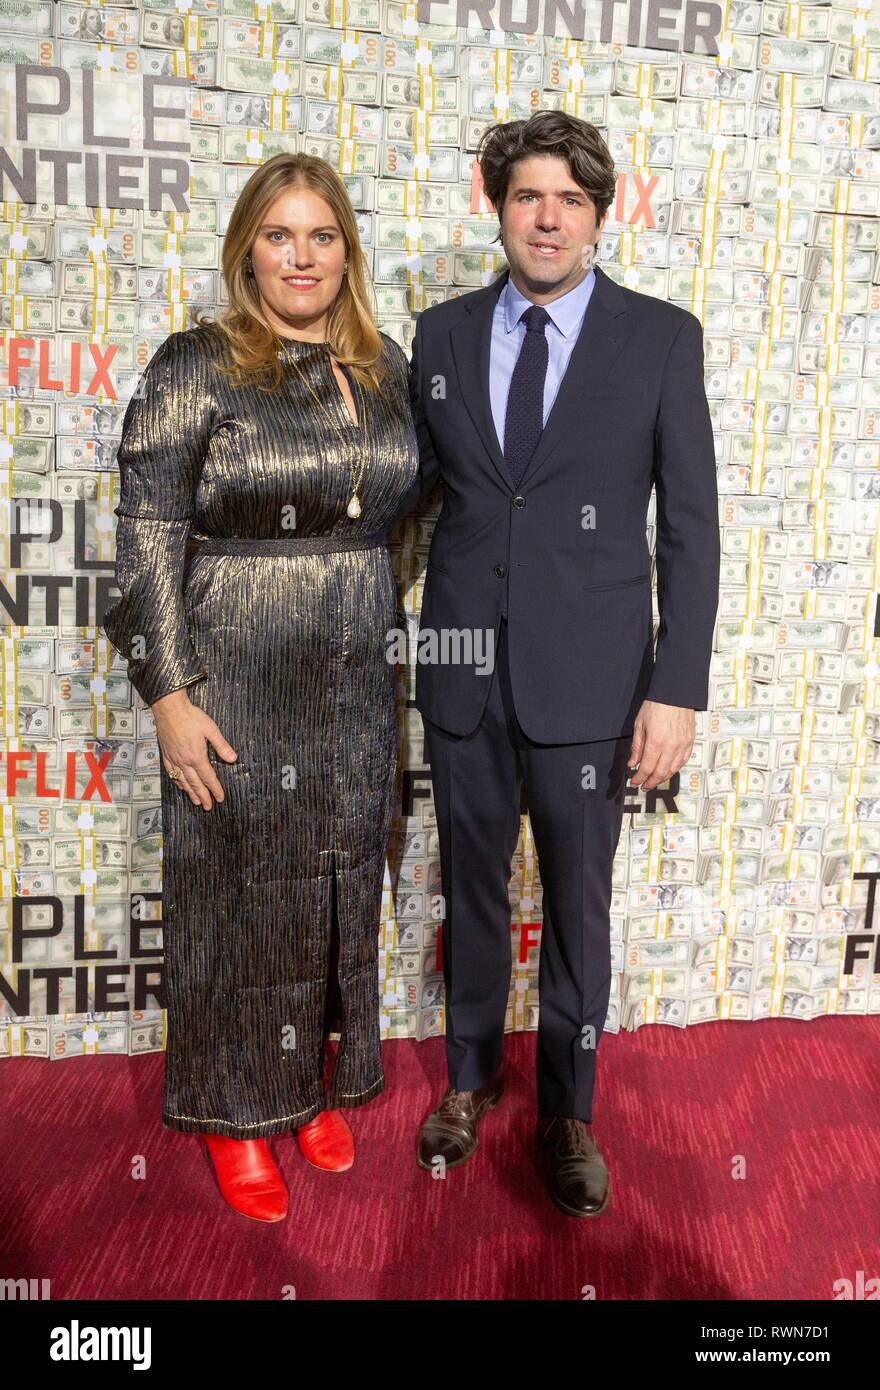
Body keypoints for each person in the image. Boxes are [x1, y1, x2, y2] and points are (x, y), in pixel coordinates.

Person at [394, 111, 720, 1217]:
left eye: (569, 200)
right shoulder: (436, 336)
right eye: (527, 195)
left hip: (592, 680)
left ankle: (568, 1109)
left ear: (599, 214)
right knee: (472, 894)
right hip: (463, 675)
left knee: (580, 907)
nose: (547, 217)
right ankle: (469, 1077)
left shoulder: (660, 338)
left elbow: (691, 527)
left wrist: (676, 685)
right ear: (497, 204)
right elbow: (416, 493)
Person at [102, 152, 418, 1223]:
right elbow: (144, 539)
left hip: (355, 669)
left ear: (346, 252)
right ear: (246, 248)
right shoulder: (196, 363)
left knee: (334, 884)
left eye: (321, 236)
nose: (301, 256)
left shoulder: (384, 367)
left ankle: (302, 1085)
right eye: (278, 235)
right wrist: (170, 694)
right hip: (235, 666)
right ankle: (237, 1112)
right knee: (235, 894)